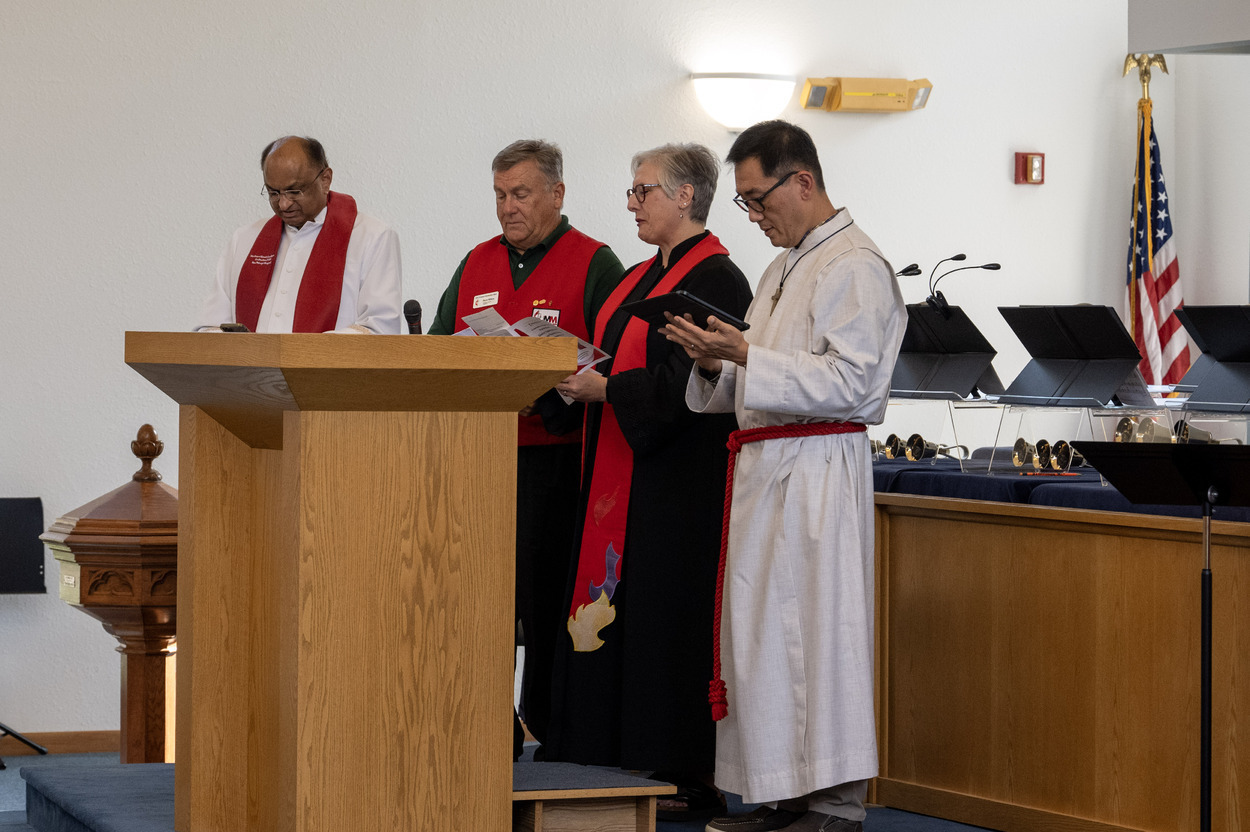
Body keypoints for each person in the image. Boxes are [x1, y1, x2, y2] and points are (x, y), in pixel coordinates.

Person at [663, 121, 906, 832]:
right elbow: (752, 372)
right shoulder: (780, 267)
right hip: (767, 464)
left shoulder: (855, 264)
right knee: (764, 635)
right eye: (744, 203)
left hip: (818, 469)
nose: (753, 215)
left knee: (816, 631)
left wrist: (746, 355)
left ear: (803, 180)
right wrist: (715, 361)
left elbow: (857, 383)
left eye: (756, 198)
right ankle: (783, 794)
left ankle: (834, 803)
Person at [546, 144, 752, 820]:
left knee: (668, 621)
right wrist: (573, 377)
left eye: (643, 192)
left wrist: (610, 388)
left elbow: (700, 381)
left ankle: (681, 768)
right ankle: (607, 745)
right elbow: (610, 354)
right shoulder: (638, 275)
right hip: (619, 472)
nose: (631, 203)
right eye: (632, 192)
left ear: (686, 196)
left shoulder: (719, 280)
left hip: (677, 483)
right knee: (623, 614)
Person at [426, 139, 625, 758]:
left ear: (556, 194)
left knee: (541, 600)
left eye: (521, 194)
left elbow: (618, 361)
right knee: (476, 593)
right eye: (499, 196)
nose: (507, 208)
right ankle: (489, 726)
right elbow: (436, 346)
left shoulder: (595, 263)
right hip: (480, 457)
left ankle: (548, 720)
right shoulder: (476, 261)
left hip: (555, 460)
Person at [198, 136, 403, 334]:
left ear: (325, 179)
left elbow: (379, 329)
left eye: (294, 192)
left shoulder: (372, 238)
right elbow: (211, 326)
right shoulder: (244, 240)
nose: (284, 204)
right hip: (252, 370)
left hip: (329, 369)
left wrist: (305, 354)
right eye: (273, 193)